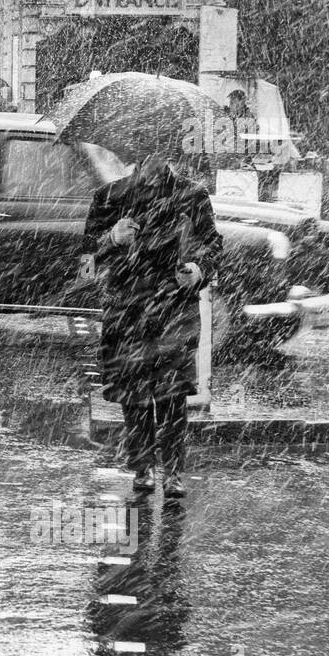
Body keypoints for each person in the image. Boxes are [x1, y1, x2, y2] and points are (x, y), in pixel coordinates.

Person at [83, 143, 222, 498]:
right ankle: (142, 467)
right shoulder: (109, 196)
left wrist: (199, 269)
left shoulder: (192, 195)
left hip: (174, 309)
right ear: (132, 156)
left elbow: (213, 245)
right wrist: (111, 239)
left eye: (157, 153)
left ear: (170, 155)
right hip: (126, 309)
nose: (150, 161)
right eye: (143, 154)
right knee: (135, 394)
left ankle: (174, 472)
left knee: (172, 394)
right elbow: (85, 262)